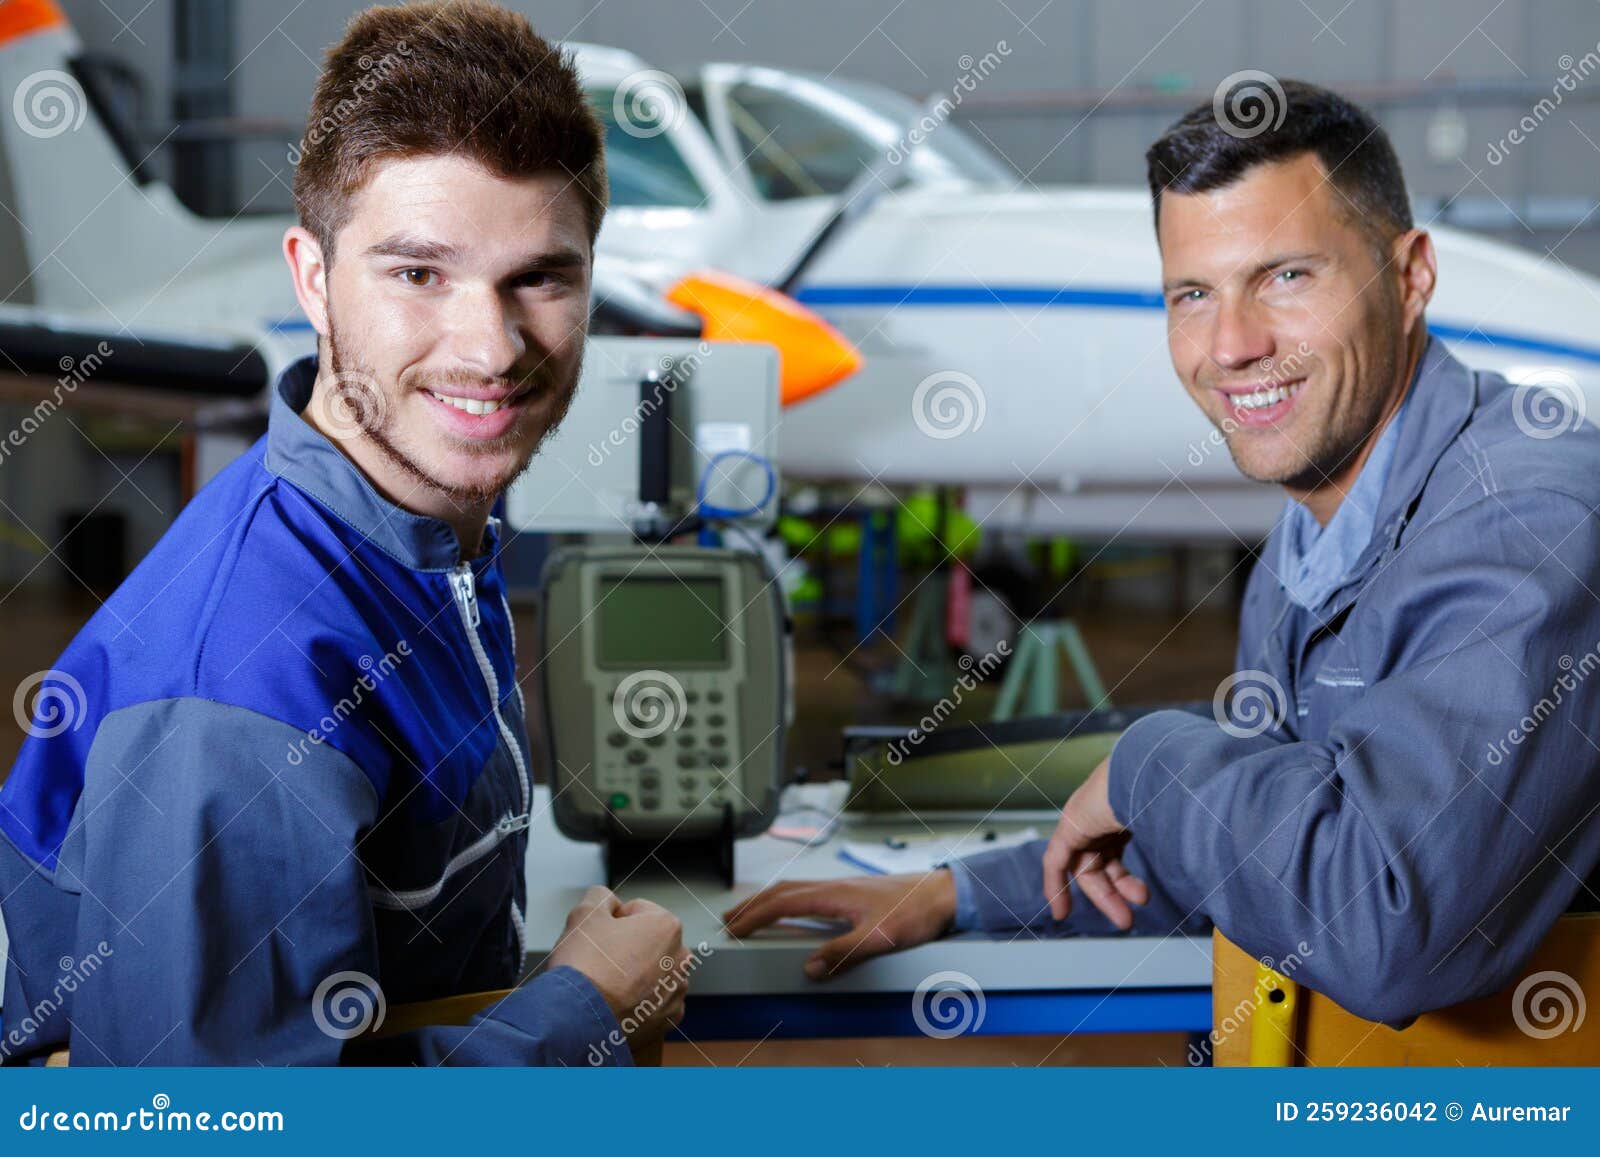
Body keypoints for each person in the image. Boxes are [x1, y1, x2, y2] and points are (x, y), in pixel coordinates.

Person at [726, 79, 1600, 1027]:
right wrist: (955, 893)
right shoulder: (1306, 544)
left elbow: (1385, 922)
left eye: (1286, 277)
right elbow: (1259, 849)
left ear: (1411, 274)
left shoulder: (1523, 519)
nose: (1230, 345)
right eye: (1193, 294)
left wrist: (1150, 759)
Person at [0, 0, 690, 1066]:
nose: (491, 348)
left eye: (540, 278)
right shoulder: (242, 692)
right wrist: (582, 1004)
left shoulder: (416, 541)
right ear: (312, 280)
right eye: (419, 273)